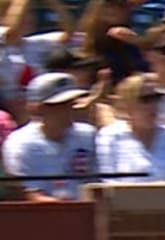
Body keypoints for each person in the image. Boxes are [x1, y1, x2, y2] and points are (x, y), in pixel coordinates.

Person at [1, 73, 96, 201]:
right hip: (43, 216)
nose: (69, 110)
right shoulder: (20, 143)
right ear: (38, 108)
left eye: (70, 104)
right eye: (60, 105)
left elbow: (100, 183)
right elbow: (27, 195)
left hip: (91, 212)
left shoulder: (88, 135)